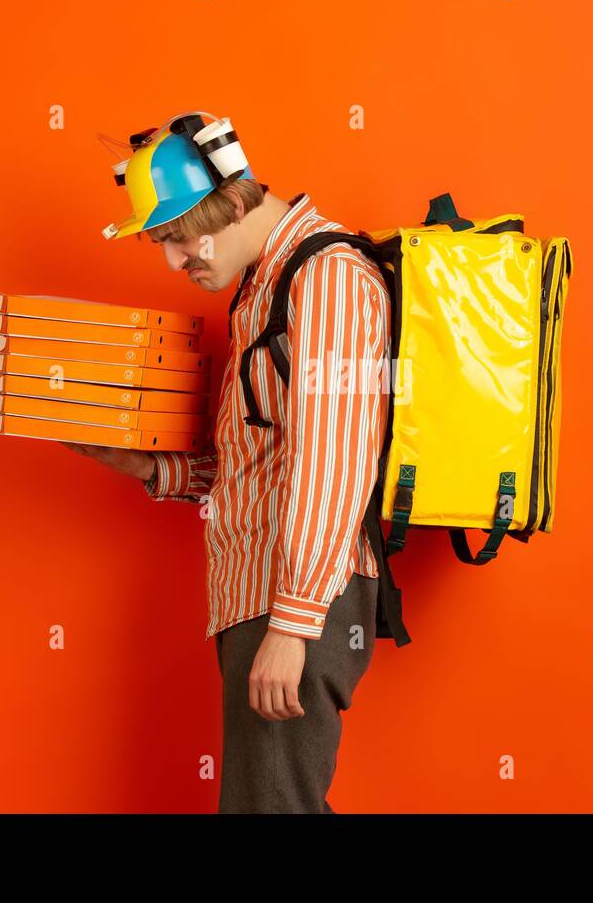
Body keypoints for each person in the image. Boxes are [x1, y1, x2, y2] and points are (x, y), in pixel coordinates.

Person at [64, 113, 390, 813]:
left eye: (180, 236)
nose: (174, 262)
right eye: (161, 242)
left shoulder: (328, 281)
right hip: (258, 595)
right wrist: (150, 470)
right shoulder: (260, 289)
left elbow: (334, 460)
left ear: (236, 203)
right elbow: (262, 462)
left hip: (297, 599)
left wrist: (293, 624)